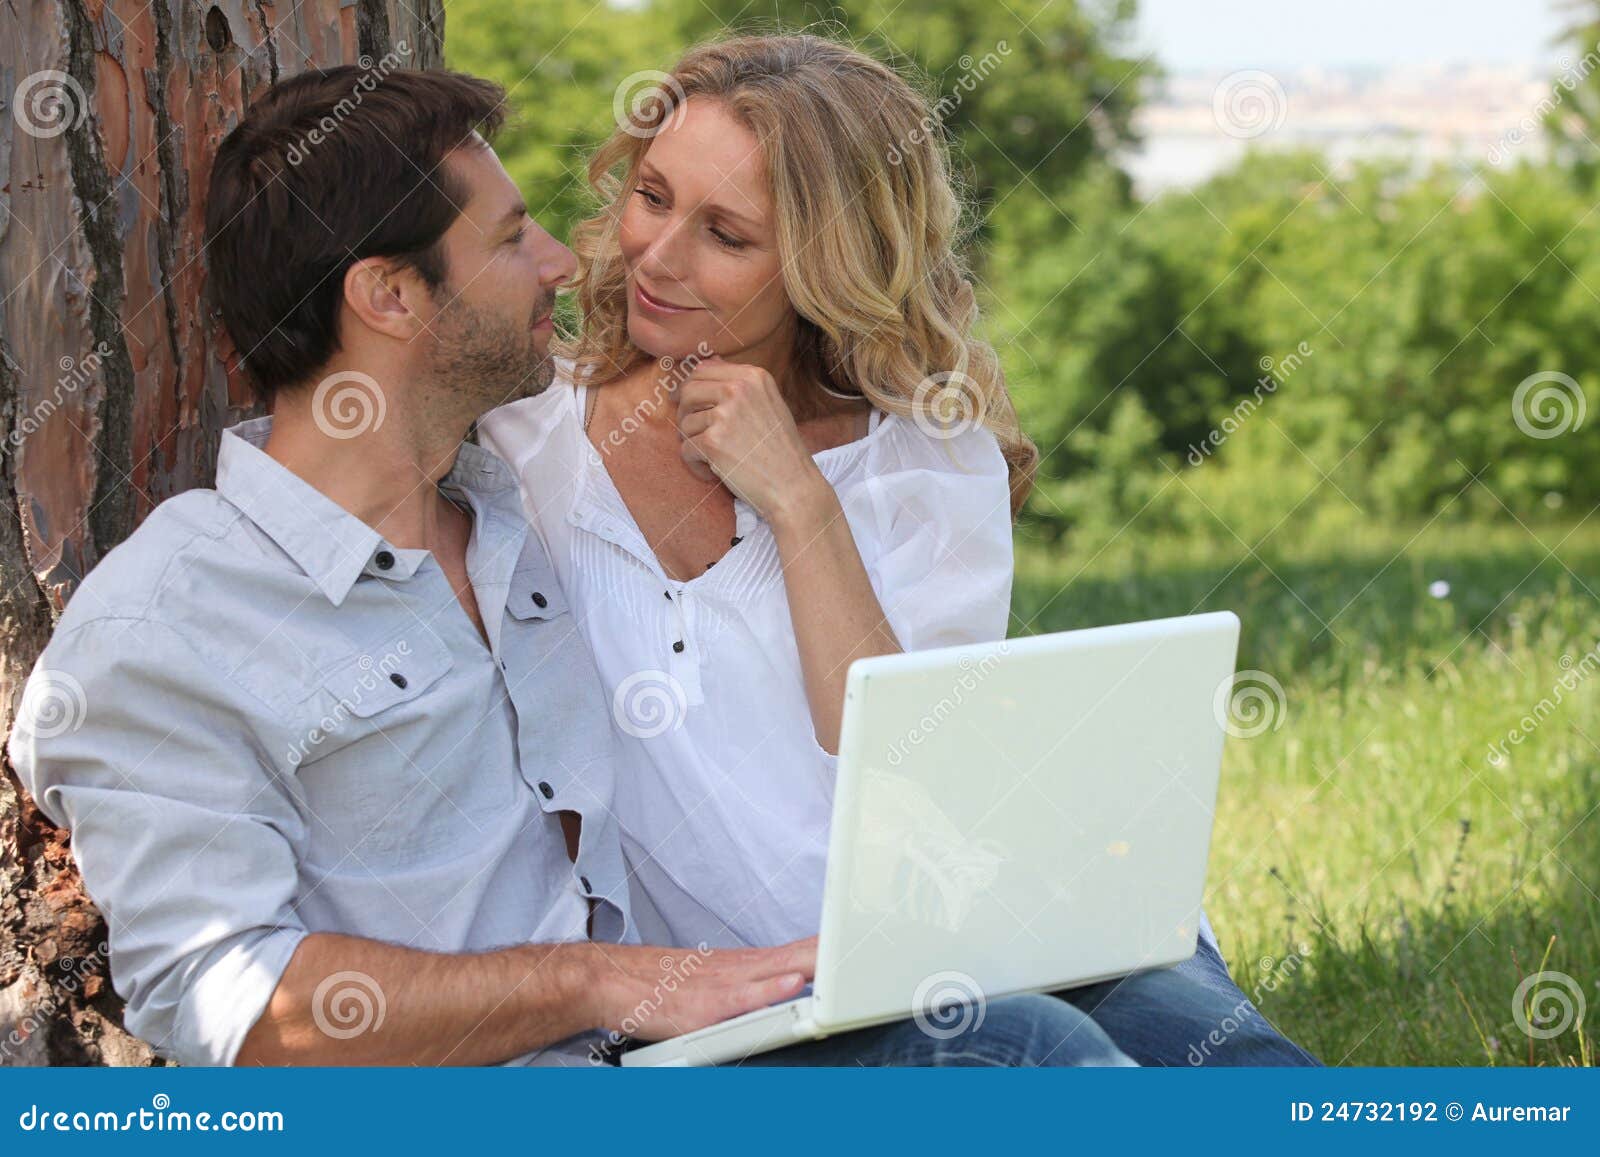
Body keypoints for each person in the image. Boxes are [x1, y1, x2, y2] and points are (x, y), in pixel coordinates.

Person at [8, 64, 1134, 1069]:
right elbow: (230, 1006)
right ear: (390, 295)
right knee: (1025, 1052)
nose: (574, 257)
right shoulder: (169, 617)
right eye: (511, 239)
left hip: (699, 1044)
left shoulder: (501, 507)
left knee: (1175, 1025)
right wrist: (603, 981)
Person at [479, 33, 1318, 1066]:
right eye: (652, 196)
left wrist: (799, 502)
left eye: (726, 235)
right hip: (756, 991)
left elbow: (916, 777)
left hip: (999, 914)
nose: (655, 255)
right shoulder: (527, 444)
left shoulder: (923, 455)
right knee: (1038, 1057)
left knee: (1235, 1066)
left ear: (824, 265)